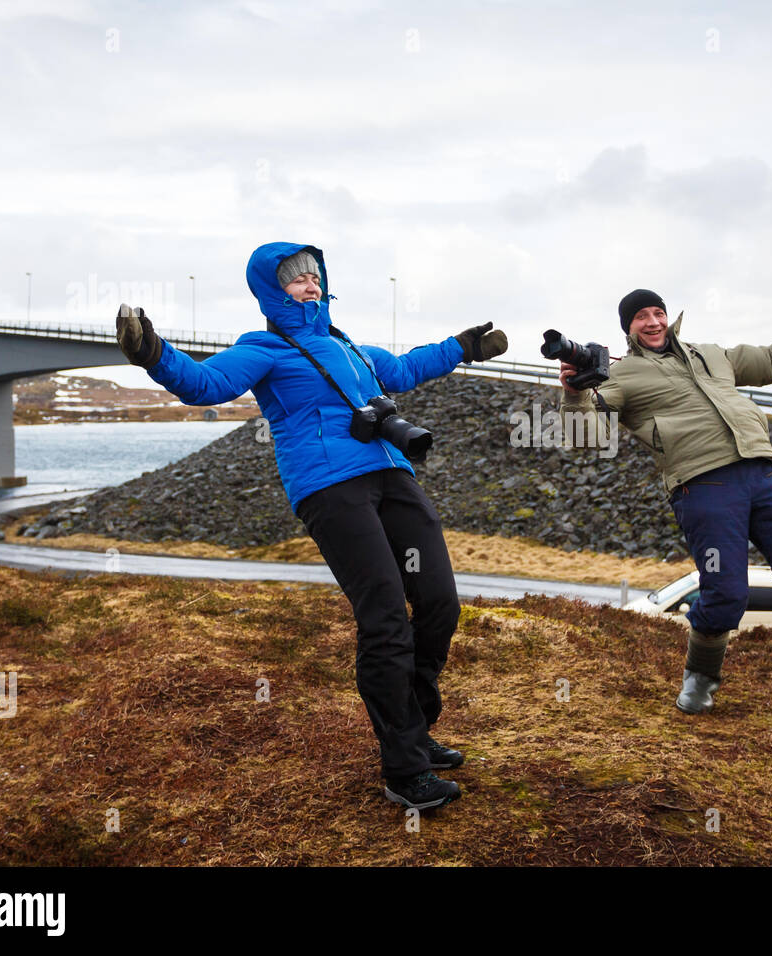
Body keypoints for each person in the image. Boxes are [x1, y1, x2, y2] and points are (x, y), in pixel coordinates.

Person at [114, 241, 508, 807]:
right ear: (273, 290)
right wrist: (153, 352)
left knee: (440, 603)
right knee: (385, 616)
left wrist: (463, 346)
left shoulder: (349, 346)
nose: (310, 283)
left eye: (315, 275)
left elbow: (404, 368)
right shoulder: (265, 349)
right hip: (329, 486)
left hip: (393, 474)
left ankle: (416, 728)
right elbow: (205, 385)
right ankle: (405, 768)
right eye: (297, 278)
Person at [559, 289, 772, 741]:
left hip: (765, 476)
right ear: (627, 329)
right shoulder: (622, 374)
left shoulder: (712, 356)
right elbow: (585, 439)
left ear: (668, 317)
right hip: (702, 485)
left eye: (658, 313)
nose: (652, 322)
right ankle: (701, 679)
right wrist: (574, 394)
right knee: (726, 592)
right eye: (640, 318)